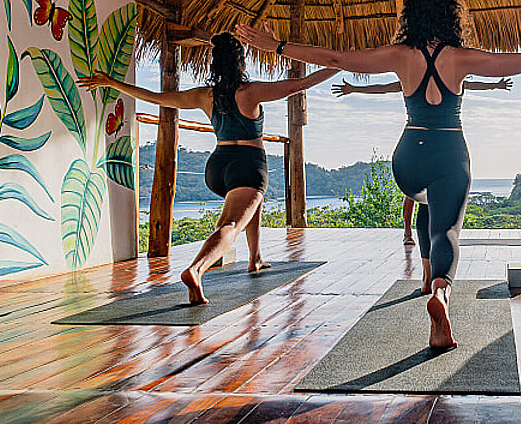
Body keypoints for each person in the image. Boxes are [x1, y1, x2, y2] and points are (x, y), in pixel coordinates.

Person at [237, 0, 521, 348]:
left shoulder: (400, 55)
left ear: (412, 14)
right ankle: (440, 292)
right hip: (449, 153)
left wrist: (277, 46)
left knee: (424, 202)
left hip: (409, 159)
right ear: (450, 14)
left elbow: (337, 58)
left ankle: (425, 275)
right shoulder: (461, 57)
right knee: (447, 231)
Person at [79, 33, 337, 305]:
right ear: (240, 62)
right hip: (248, 163)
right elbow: (302, 84)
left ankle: (255, 257)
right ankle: (196, 269)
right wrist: (338, 65)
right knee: (231, 225)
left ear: (215, 63)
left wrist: (113, 83)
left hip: (218, 165)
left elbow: (158, 98)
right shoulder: (250, 92)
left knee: (251, 203)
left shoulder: (205, 95)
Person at [331, 77, 513, 248]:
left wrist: (496, 85)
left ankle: (437, 238)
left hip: (443, 143)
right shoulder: (414, 80)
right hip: (419, 140)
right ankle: (408, 232)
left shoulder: (451, 81)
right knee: (412, 195)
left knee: (437, 196)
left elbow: (473, 84)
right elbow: (384, 88)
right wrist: (354, 88)